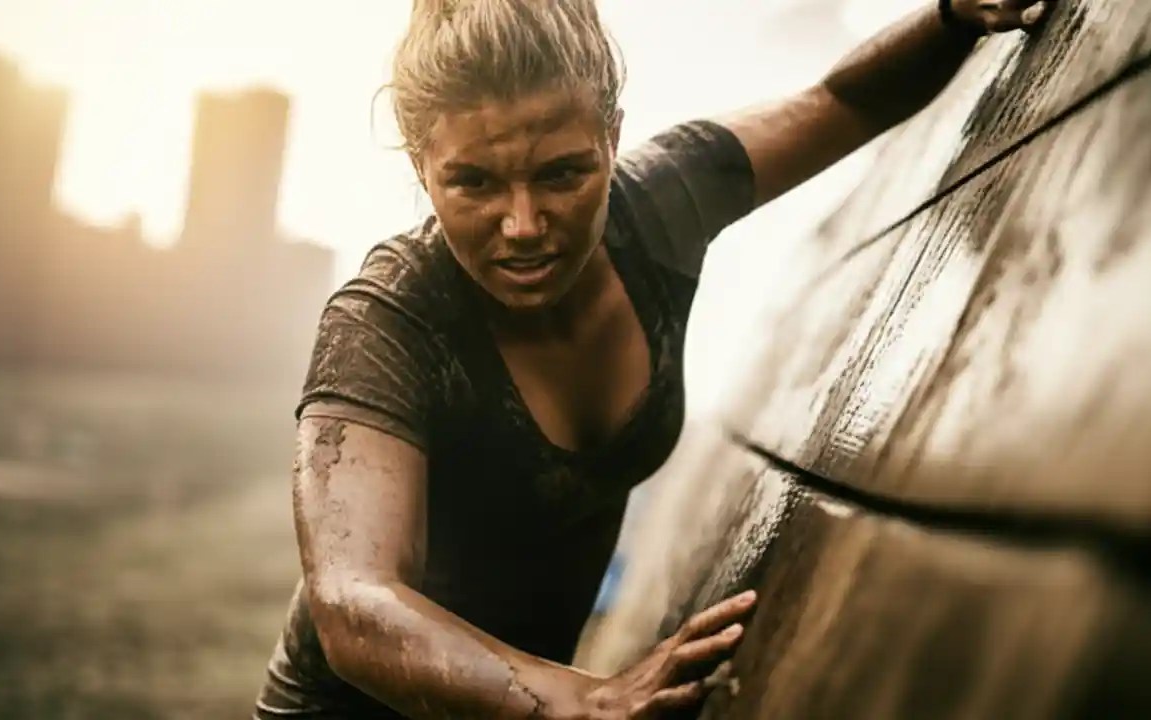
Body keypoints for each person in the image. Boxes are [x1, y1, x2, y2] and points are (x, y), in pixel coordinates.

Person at [254, 0, 1054, 717]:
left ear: (612, 136)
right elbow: (353, 604)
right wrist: (585, 699)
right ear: (420, 167)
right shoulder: (388, 321)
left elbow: (840, 101)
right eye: (473, 183)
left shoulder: (662, 206)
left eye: (563, 173)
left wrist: (951, 17)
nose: (523, 224)